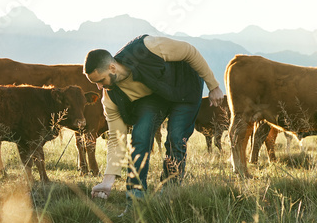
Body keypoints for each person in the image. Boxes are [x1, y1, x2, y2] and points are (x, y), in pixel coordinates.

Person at [84, 34, 224, 200]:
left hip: (185, 86)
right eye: (96, 84)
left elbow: (189, 51)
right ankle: (135, 198)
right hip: (157, 95)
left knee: (176, 137)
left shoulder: (148, 47)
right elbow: (116, 139)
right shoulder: (110, 97)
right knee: (140, 135)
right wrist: (108, 181)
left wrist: (213, 86)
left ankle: (169, 194)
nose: (99, 86)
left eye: (100, 80)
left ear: (112, 68)